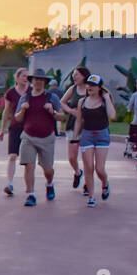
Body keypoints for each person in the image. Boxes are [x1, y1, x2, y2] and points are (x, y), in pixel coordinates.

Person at [13, 70, 65, 206]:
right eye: (36, 79)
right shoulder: (25, 97)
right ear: (32, 81)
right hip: (28, 136)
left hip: (46, 136)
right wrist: (23, 110)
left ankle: (49, 183)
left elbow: (62, 116)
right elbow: (17, 118)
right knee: (29, 165)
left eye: (41, 80)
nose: (38, 82)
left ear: (45, 82)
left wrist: (52, 111)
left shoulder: (51, 97)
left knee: (47, 168)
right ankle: (30, 194)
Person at [75, 75, 116, 206]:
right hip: (87, 135)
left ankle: (105, 183)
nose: (89, 87)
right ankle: (91, 197)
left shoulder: (104, 101)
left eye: (93, 85)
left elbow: (112, 116)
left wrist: (107, 98)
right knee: (88, 167)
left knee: (99, 169)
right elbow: (79, 120)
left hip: (102, 136)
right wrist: (75, 137)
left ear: (99, 87)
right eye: (88, 84)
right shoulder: (82, 102)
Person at [60, 67, 91, 195]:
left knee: (86, 157)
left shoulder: (91, 89)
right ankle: (78, 172)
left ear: (84, 76)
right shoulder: (72, 89)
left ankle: (88, 184)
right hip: (73, 125)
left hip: (87, 125)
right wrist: (70, 110)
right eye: (73, 75)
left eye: (77, 75)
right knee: (72, 157)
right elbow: (62, 102)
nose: (74, 77)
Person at [0, 67, 30, 196]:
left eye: (28, 76)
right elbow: (6, 111)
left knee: (28, 158)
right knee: (12, 155)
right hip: (15, 126)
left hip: (29, 127)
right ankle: (10, 183)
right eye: (23, 76)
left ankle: (29, 186)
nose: (26, 79)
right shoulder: (11, 93)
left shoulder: (32, 91)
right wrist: (2, 129)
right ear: (17, 78)